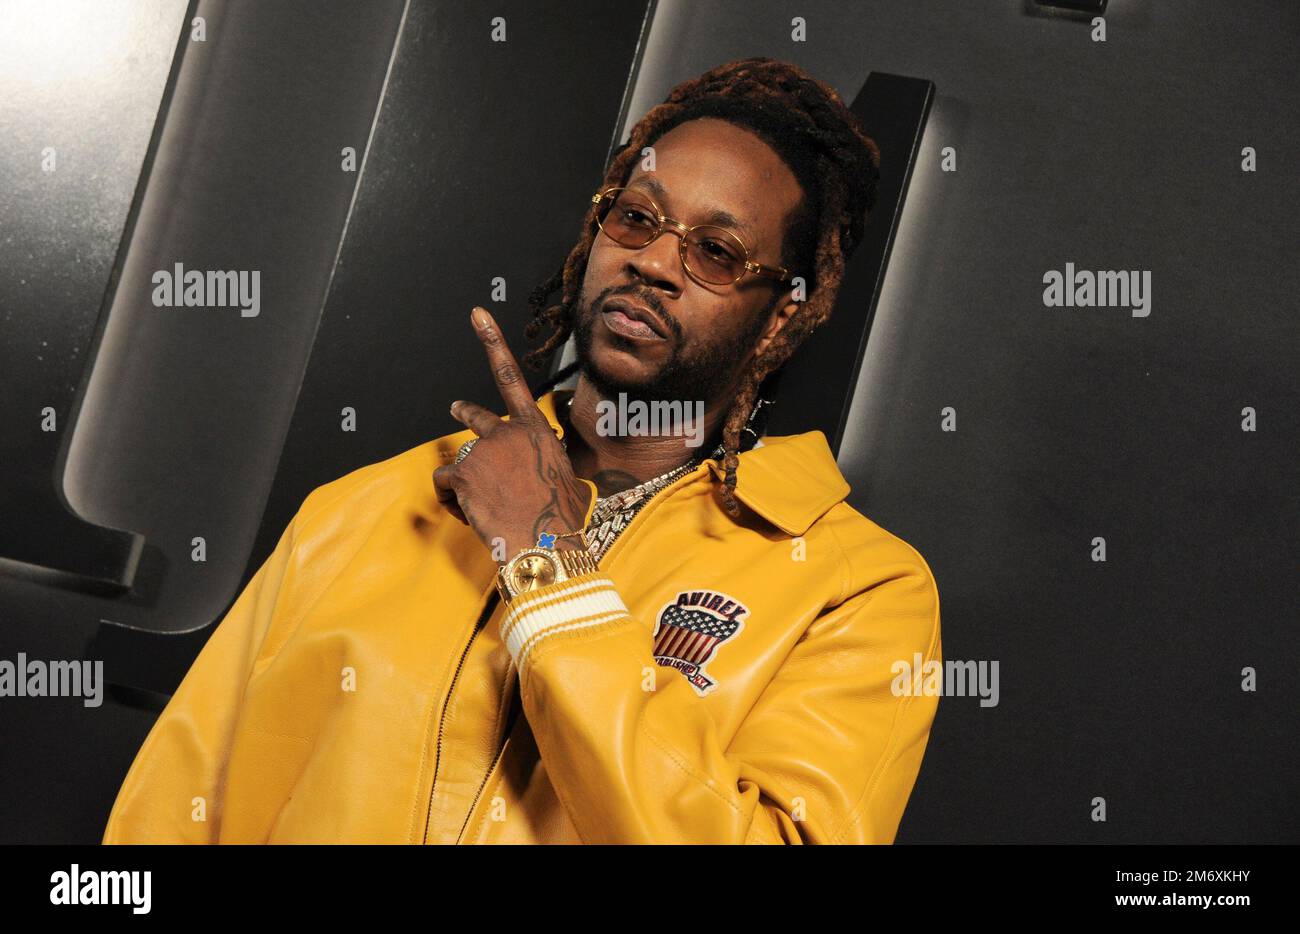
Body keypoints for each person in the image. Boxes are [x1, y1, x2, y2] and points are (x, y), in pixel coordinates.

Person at [102, 57, 941, 845]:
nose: (651, 260)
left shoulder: (856, 591)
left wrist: (548, 563)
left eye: (716, 252)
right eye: (637, 217)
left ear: (785, 312)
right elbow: (173, 818)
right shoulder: (368, 507)